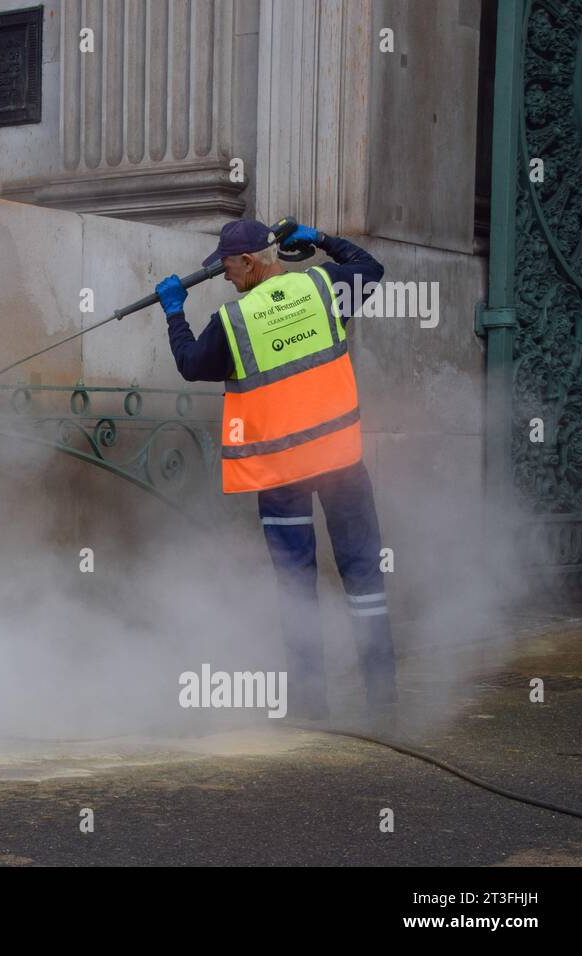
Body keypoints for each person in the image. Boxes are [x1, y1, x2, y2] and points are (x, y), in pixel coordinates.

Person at [155, 219, 396, 720]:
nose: (223, 278)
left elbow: (190, 364)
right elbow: (371, 268)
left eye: (225, 266)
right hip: (340, 462)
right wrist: (323, 240)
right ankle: (382, 701)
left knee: (294, 583)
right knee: (364, 576)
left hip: (282, 472)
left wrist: (174, 312)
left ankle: (311, 706)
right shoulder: (322, 287)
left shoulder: (233, 321)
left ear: (248, 261)